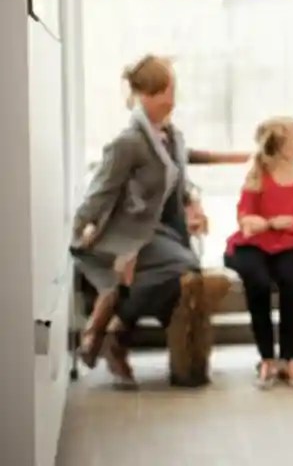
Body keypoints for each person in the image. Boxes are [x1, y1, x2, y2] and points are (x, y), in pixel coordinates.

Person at [72, 54, 231, 389]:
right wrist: (83, 225)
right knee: (183, 264)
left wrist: (193, 205)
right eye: (161, 92)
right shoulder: (127, 143)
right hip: (127, 232)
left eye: (171, 90)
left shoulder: (173, 137)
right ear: (142, 96)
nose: (170, 100)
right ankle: (110, 330)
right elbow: (101, 191)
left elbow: (176, 182)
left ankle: (114, 329)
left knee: (181, 274)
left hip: (160, 232)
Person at [225, 116, 293, 389]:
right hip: (250, 247)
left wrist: (284, 223)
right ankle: (266, 357)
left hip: (285, 246)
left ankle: (291, 357)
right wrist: (265, 223)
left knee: (291, 284)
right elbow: (246, 219)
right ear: (282, 146)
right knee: (259, 283)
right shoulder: (257, 178)